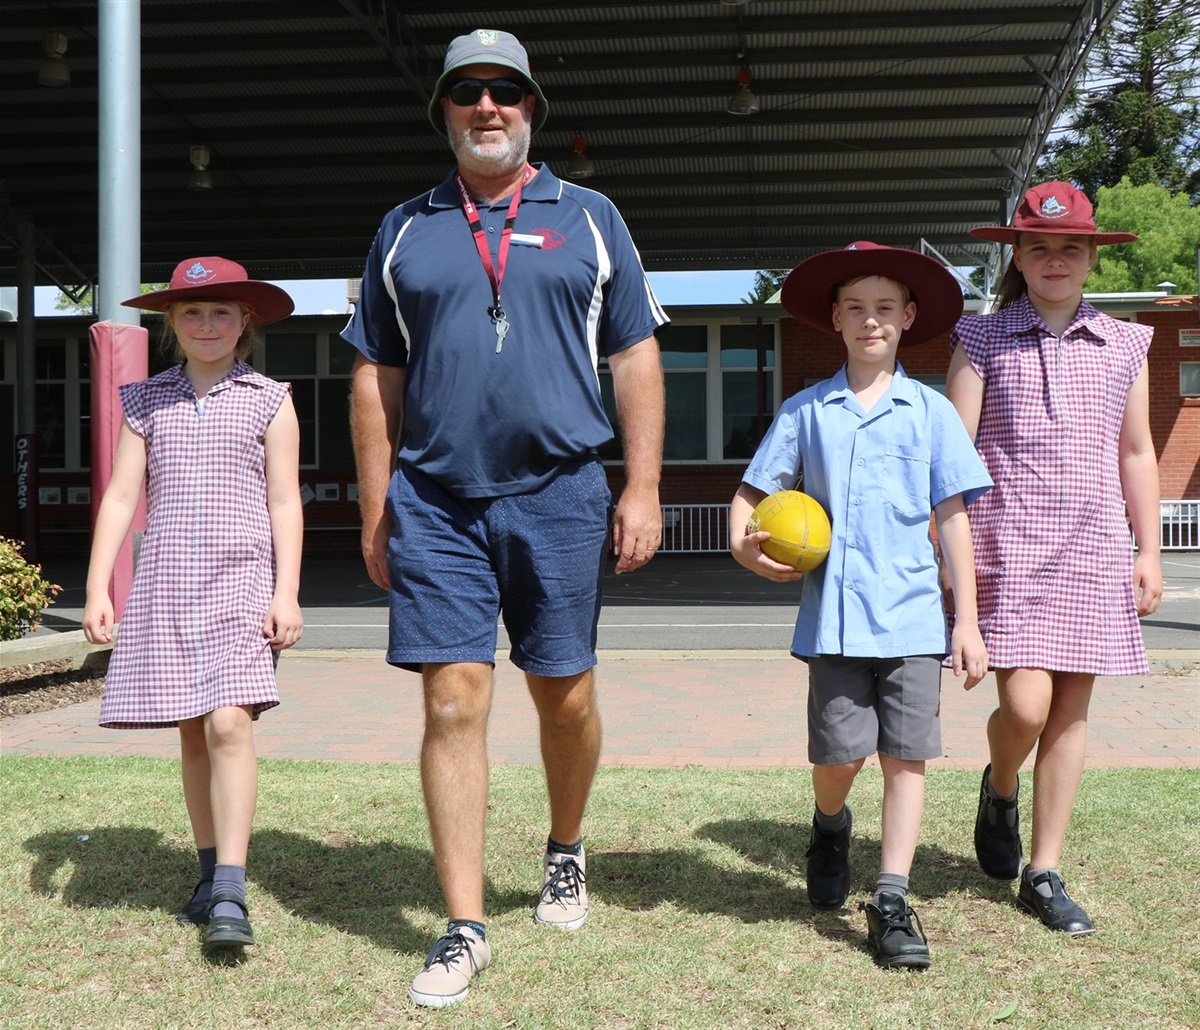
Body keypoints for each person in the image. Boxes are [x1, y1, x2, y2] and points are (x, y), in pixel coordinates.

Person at [342, 28, 666, 1007]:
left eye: (506, 91)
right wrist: (376, 506)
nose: (488, 105)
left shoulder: (592, 218)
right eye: (467, 90)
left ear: (532, 110)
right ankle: (466, 925)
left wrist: (642, 487)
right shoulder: (405, 228)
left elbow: (636, 356)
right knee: (452, 700)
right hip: (437, 500)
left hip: (561, 491)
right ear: (442, 110)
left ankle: (565, 847)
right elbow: (375, 374)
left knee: (563, 696)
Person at [730, 242, 992, 970]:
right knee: (839, 757)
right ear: (836, 320)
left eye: (884, 307)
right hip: (836, 621)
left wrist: (967, 621)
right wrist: (746, 548)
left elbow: (953, 520)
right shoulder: (807, 411)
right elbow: (750, 496)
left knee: (907, 757)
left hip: (913, 618)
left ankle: (891, 898)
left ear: (907, 317)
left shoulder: (933, 412)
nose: (870, 320)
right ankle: (829, 825)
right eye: (856, 308)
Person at [947, 181, 1163, 935]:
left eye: (1070, 247)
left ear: (1091, 258)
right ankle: (1000, 781)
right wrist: (948, 550)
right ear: (1018, 256)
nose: (1055, 260)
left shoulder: (1126, 343)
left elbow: (1136, 451)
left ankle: (1043, 871)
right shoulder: (980, 338)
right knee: (1025, 708)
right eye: (1038, 247)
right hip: (1007, 548)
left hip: (1095, 550)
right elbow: (955, 457)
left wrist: (1148, 549)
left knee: (1069, 714)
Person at [82, 257, 303, 952]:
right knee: (191, 729)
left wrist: (287, 591)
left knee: (230, 723)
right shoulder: (145, 400)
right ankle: (208, 875)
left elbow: (285, 501)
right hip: (167, 585)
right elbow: (122, 495)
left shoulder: (271, 398)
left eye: (221, 312)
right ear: (171, 323)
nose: (207, 324)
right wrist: (97, 586)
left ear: (245, 322)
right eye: (192, 313)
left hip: (243, 585)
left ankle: (231, 891)